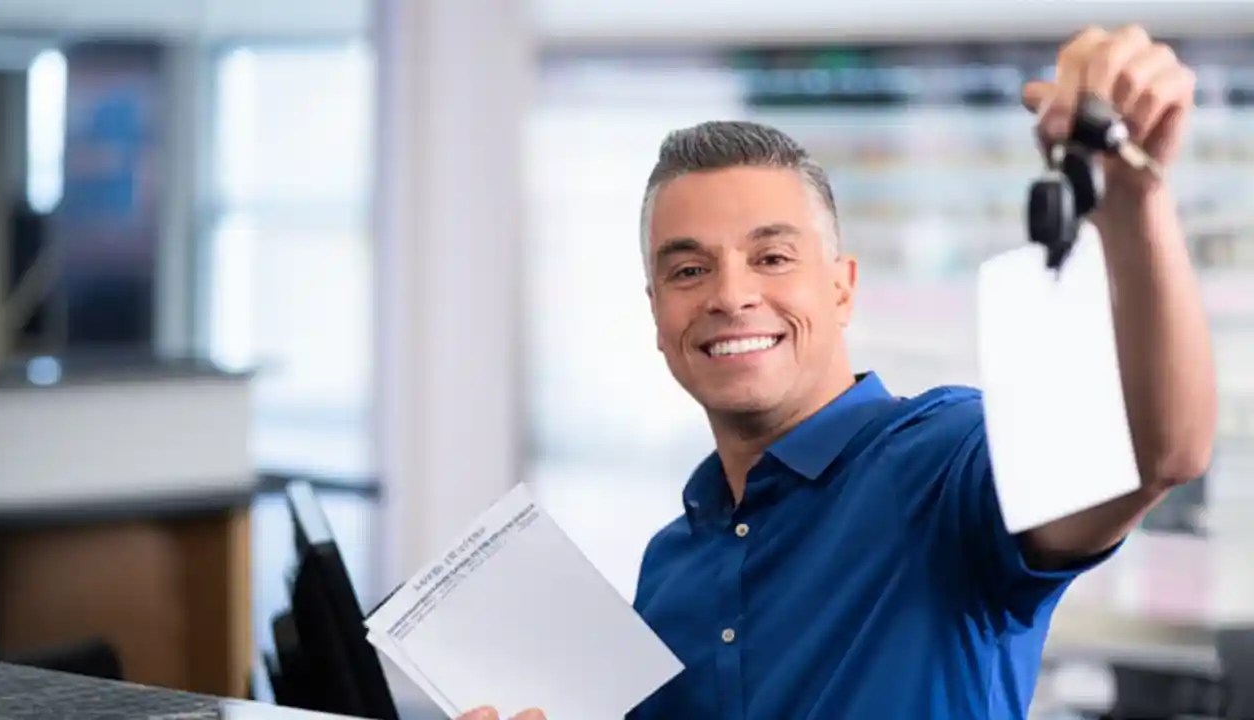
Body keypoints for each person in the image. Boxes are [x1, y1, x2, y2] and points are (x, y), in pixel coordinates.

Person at [458, 24, 1217, 720]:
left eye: (772, 257)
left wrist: (1135, 199)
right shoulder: (671, 564)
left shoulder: (945, 463)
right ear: (658, 313)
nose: (729, 295)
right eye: (689, 269)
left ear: (843, 285)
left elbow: (1162, 454)